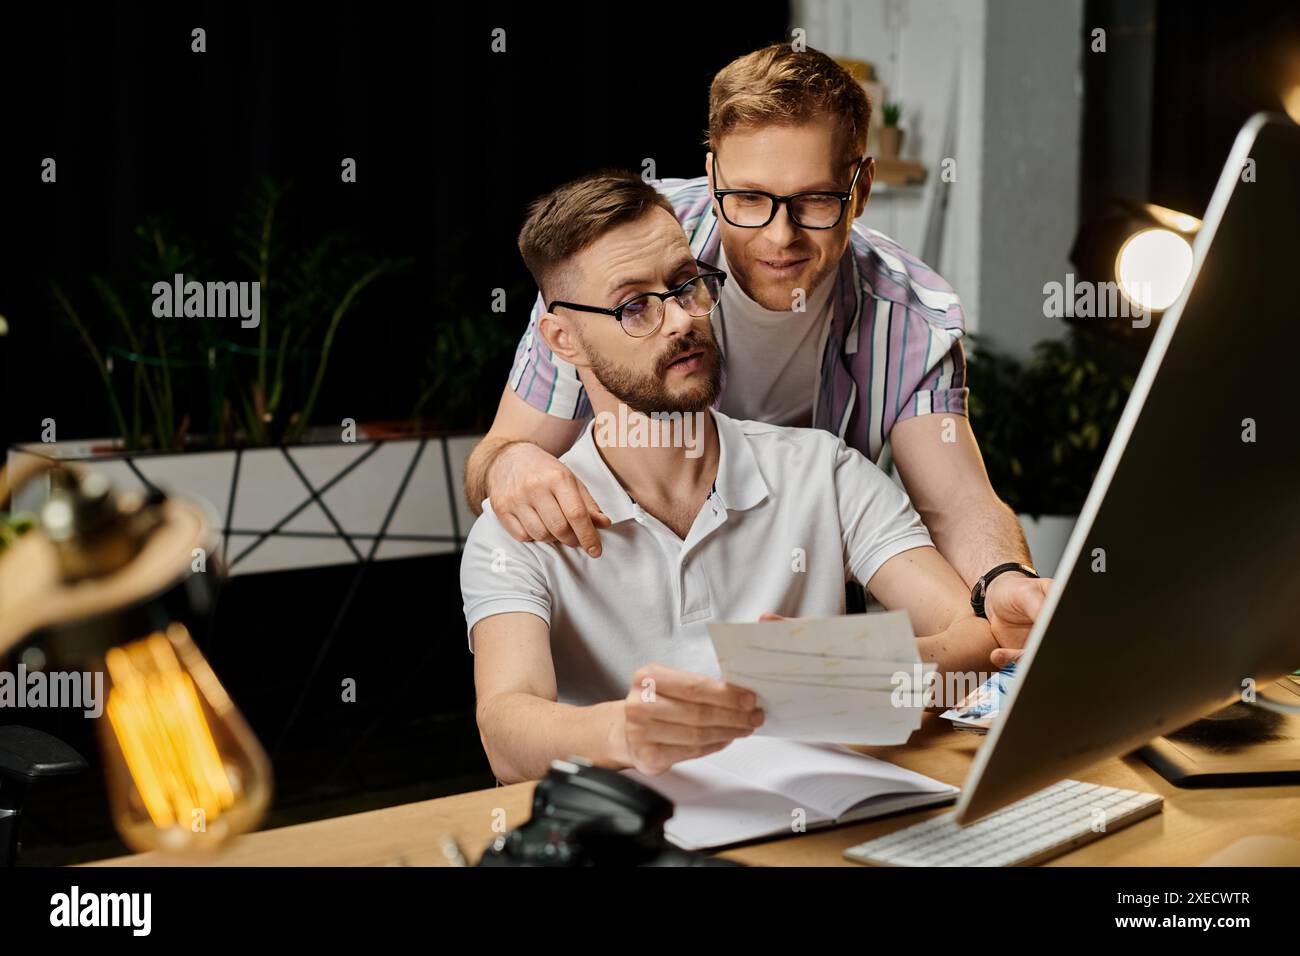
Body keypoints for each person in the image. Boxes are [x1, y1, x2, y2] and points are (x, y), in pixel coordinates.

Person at [463, 44, 1050, 666]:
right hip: (627, 625)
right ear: (714, 177)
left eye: (815, 200)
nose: (780, 237)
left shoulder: (909, 316)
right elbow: (499, 457)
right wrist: (511, 465)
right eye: (750, 198)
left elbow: (956, 503)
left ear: (861, 188)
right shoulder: (624, 251)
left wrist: (1005, 583)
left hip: (809, 663)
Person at [461, 172, 1005, 784]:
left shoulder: (821, 470)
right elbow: (506, 731)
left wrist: (863, 667)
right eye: (634, 305)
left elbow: (976, 635)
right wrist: (623, 730)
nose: (680, 321)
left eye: (687, 285)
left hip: (817, 829)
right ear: (564, 339)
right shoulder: (520, 527)